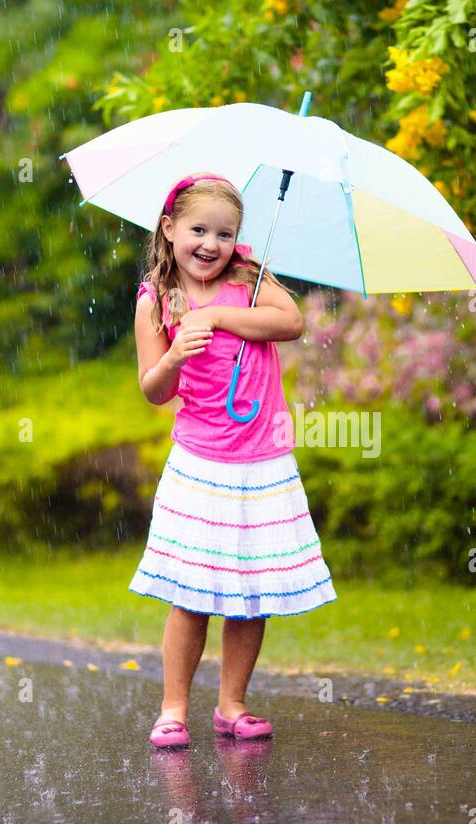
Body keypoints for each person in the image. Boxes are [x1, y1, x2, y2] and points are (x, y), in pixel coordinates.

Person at [131, 172, 336, 748]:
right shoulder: (158, 298)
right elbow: (152, 388)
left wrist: (219, 317)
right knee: (192, 595)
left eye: (224, 234)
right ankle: (173, 709)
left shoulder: (247, 278)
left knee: (251, 593)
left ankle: (232, 705)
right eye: (198, 230)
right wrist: (175, 353)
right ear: (170, 230)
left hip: (262, 461)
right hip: (200, 462)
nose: (210, 244)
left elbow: (290, 322)